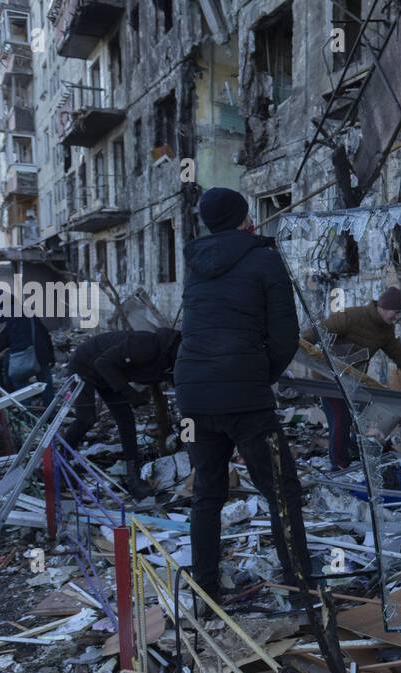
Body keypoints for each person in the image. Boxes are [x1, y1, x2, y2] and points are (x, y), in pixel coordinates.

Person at [173, 186, 311, 607]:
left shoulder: (196, 263)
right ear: (244, 217)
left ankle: (206, 591)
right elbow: (286, 337)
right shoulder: (265, 259)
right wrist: (256, 377)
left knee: (207, 494)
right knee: (281, 490)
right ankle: (300, 586)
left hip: (192, 396)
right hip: (245, 397)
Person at [301, 286, 401, 469]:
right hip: (327, 378)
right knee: (341, 418)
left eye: (400, 313)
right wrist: (302, 347)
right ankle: (339, 464)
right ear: (383, 307)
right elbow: (319, 330)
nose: (397, 317)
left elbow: (400, 356)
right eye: (395, 312)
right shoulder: (352, 316)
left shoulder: (385, 331)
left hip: (351, 381)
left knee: (349, 419)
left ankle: (351, 449)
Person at [61, 328, 181, 500]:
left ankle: (133, 477)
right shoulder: (147, 345)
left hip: (110, 373)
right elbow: (103, 363)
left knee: (126, 419)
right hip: (85, 364)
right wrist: (131, 394)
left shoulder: (174, 360)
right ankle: (58, 463)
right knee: (86, 418)